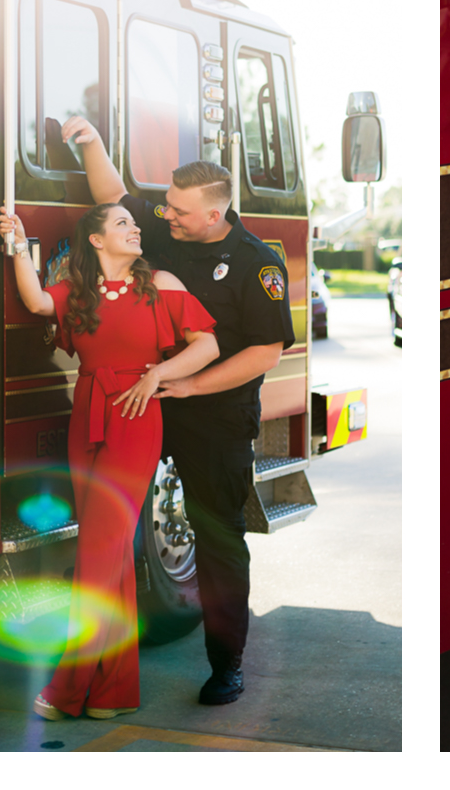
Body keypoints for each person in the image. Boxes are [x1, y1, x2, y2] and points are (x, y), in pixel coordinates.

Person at [57, 127, 294, 707]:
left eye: (180, 210)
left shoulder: (258, 266)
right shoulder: (164, 225)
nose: (166, 216)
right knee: (109, 533)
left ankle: (226, 663)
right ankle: (104, 674)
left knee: (216, 537)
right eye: (166, 205)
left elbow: (264, 352)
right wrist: (90, 141)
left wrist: (187, 385)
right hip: (139, 407)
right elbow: (114, 194)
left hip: (215, 417)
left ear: (215, 215)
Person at [0, 201, 219, 722]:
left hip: (136, 413)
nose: (135, 227)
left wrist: (156, 378)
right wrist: (16, 243)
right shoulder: (79, 290)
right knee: (113, 556)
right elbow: (34, 302)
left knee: (100, 549)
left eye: (134, 222)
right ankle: (116, 690)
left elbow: (205, 345)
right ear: (96, 240)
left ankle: (70, 684)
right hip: (88, 415)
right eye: (122, 223)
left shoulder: (160, 282)